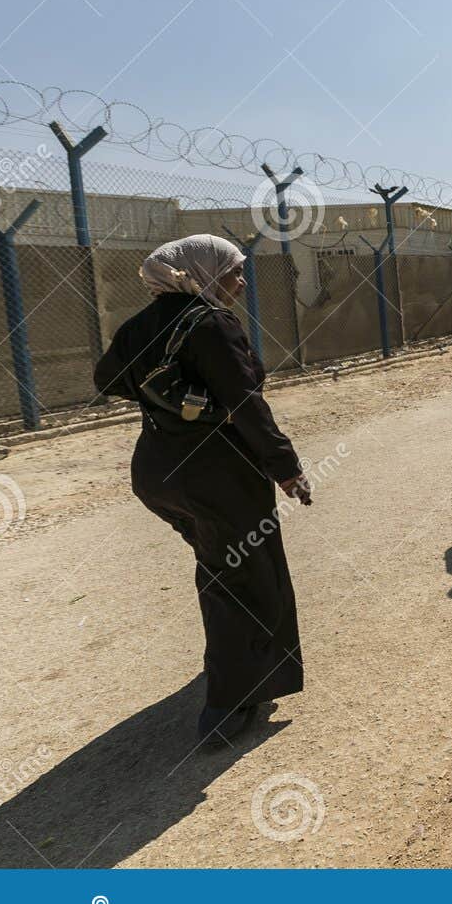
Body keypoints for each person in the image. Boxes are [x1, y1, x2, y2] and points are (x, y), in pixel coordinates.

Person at [94, 234, 311, 744]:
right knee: (245, 578)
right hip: (217, 476)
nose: (240, 281)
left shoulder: (140, 324)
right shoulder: (210, 322)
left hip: (158, 475)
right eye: (233, 271)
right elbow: (246, 404)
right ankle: (227, 703)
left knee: (220, 566)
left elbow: (108, 379)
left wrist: (172, 401)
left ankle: (233, 661)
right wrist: (286, 467)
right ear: (200, 271)